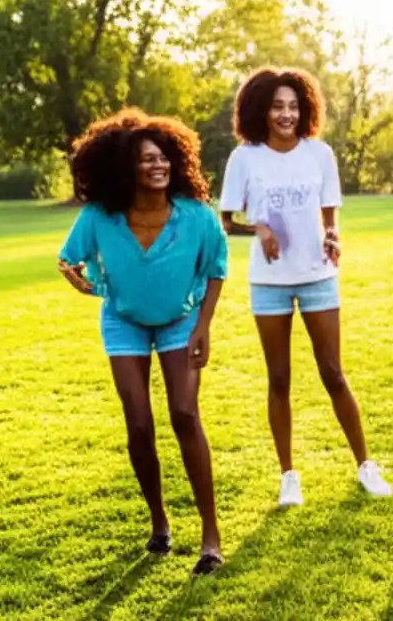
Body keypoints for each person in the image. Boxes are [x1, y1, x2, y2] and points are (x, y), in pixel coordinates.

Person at [57, 108, 227, 576]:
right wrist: (74, 275)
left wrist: (202, 326)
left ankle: (210, 536)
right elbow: (68, 259)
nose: (157, 166)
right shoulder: (100, 218)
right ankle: (160, 522)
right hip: (123, 322)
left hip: (179, 321)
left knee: (185, 414)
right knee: (138, 424)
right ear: (122, 169)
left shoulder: (196, 216)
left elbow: (216, 271)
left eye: (163, 158)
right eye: (145, 160)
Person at [218, 66, 392, 507]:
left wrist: (333, 237)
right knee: (279, 378)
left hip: (317, 276)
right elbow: (227, 222)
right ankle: (288, 475)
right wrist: (258, 228)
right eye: (277, 106)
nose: (286, 114)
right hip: (269, 282)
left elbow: (330, 217)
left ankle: (365, 465)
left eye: (294, 106)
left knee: (333, 372)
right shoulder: (245, 158)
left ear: (305, 109)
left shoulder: (319, 154)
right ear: (260, 110)